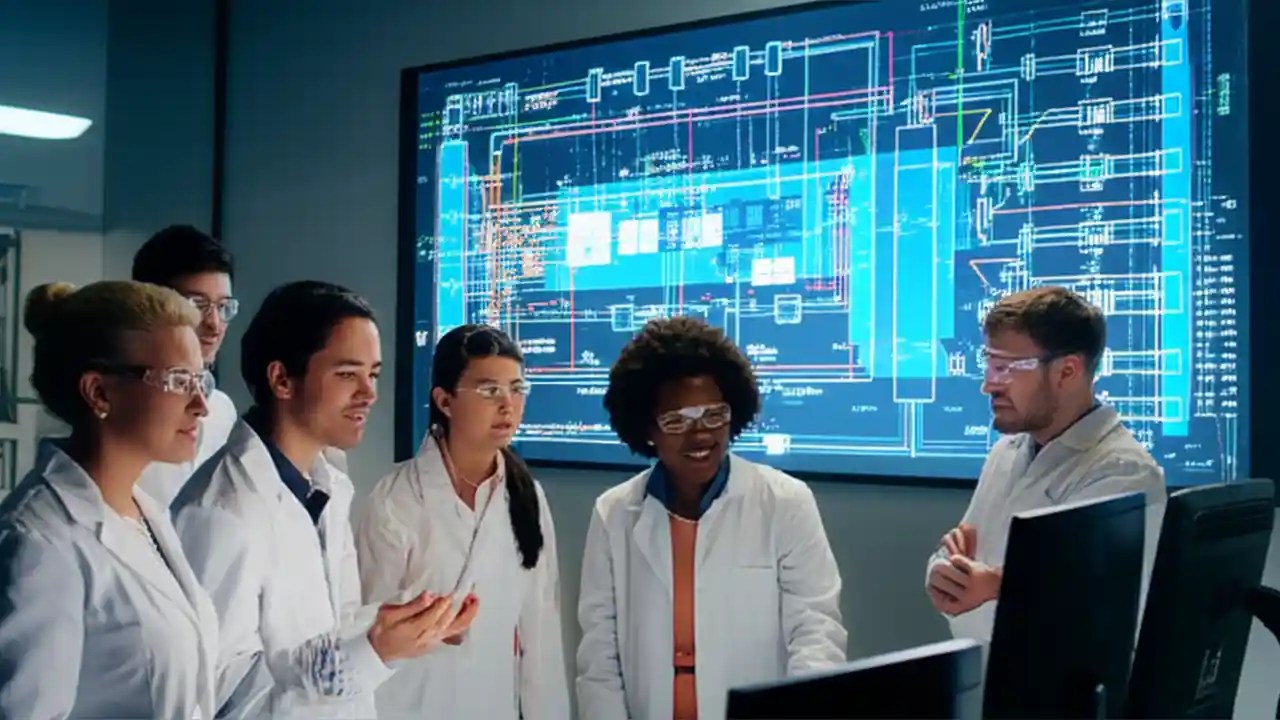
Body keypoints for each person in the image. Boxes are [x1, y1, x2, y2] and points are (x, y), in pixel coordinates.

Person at [171, 281, 478, 718]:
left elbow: (327, 633)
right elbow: (222, 702)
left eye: (372, 374)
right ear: (281, 378)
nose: (369, 393)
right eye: (347, 374)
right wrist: (372, 651)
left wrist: (399, 625)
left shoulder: (324, 490)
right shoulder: (221, 513)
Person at [577, 316, 847, 720]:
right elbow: (599, 655)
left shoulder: (785, 502)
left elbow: (815, 632)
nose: (701, 434)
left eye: (713, 415)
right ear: (647, 428)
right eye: (676, 421)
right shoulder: (614, 513)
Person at [0, 281, 221, 718]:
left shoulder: (144, 511)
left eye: (201, 380)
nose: (200, 405)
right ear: (99, 392)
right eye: (178, 381)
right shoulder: (39, 546)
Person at [925, 286, 1166, 643]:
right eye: (989, 365)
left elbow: (1088, 603)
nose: (988, 385)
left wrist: (993, 584)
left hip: (1064, 694)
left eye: (1006, 368)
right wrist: (945, 573)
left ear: (1067, 371)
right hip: (989, 678)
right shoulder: (1007, 452)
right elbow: (959, 555)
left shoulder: (1123, 473)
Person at [355, 324, 569, 720]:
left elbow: (541, 640)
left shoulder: (526, 499)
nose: (508, 405)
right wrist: (430, 625)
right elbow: (369, 631)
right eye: (489, 391)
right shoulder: (397, 499)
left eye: (517, 389)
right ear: (445, 400)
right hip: (408, 706)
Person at [132, 224, 240, 508]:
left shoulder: (221, 410)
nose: (214, 324)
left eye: (223, 306)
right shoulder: (128, 408)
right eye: (196, 304)